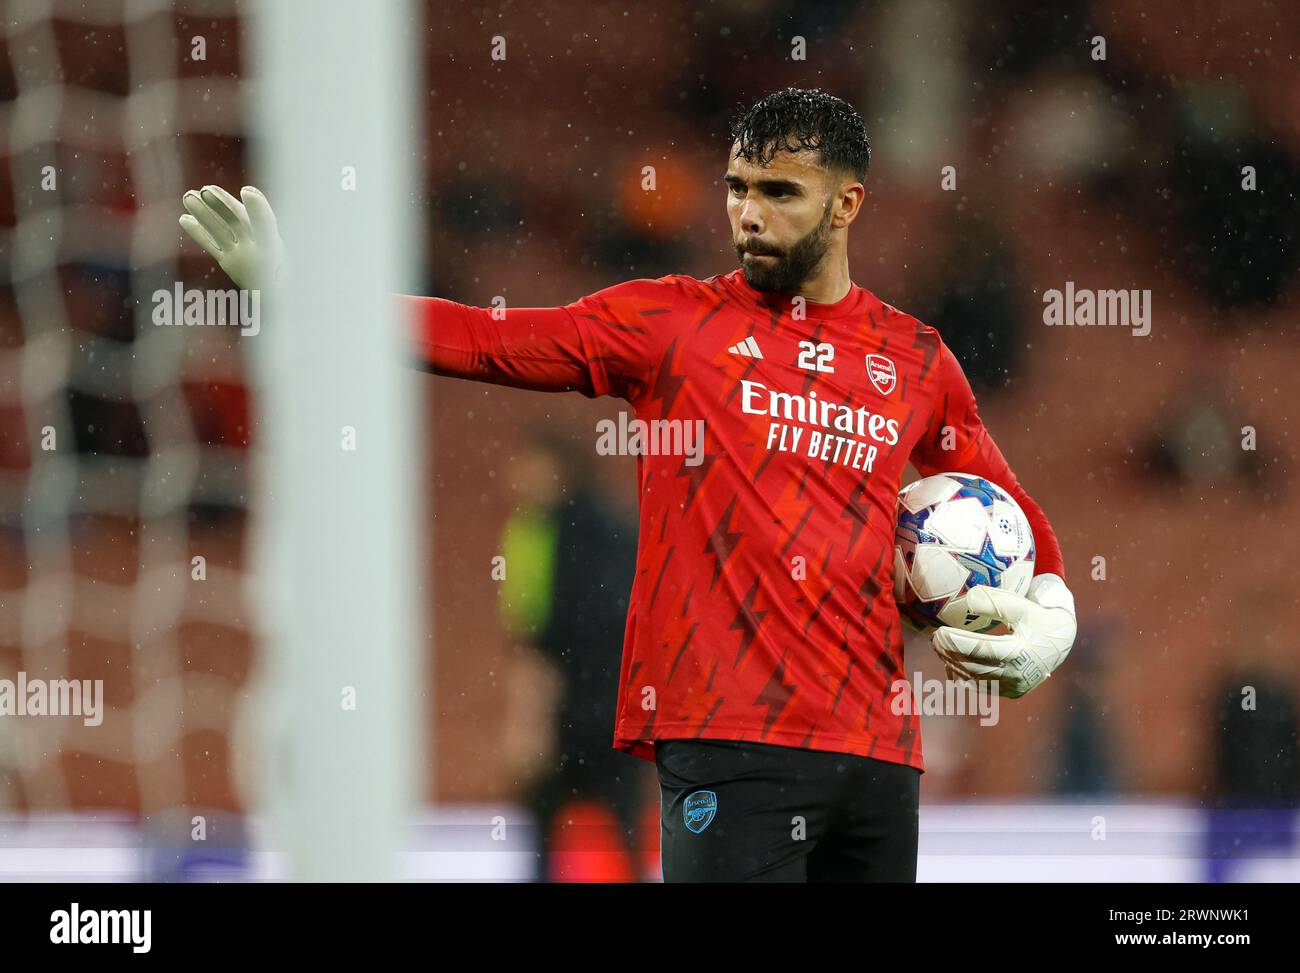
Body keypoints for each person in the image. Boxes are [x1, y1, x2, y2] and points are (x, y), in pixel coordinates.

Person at [179, 87, 1077, 882]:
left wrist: (1051, 612)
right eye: (737, 187)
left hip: (880, 753)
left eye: (778, 192)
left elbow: (1005, 496)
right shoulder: (672, 322)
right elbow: (490, 340)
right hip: (731, 740)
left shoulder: (913, 358)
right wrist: (314, 300)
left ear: (847, 204)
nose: (748, 213)